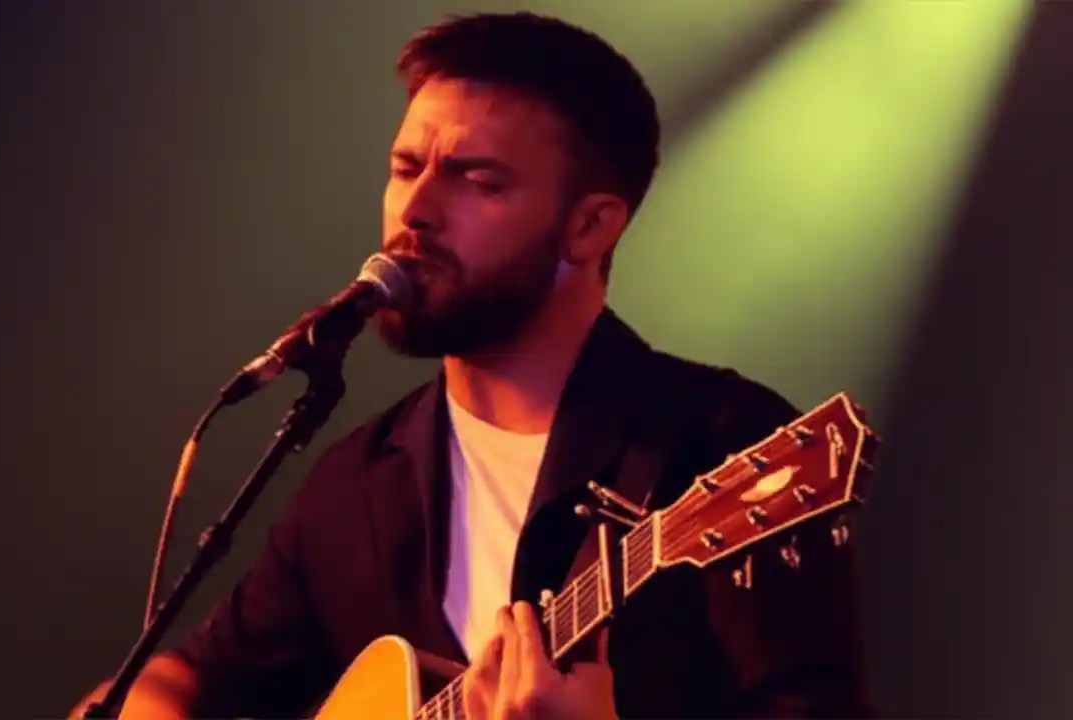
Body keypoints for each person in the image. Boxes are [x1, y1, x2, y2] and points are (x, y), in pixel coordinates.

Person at [73, 12, 871, 719]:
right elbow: (184, 680)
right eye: (406, 166)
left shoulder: (720, 442)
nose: (416, 208)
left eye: (476, 179)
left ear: (589, 227)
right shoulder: (357, 485)